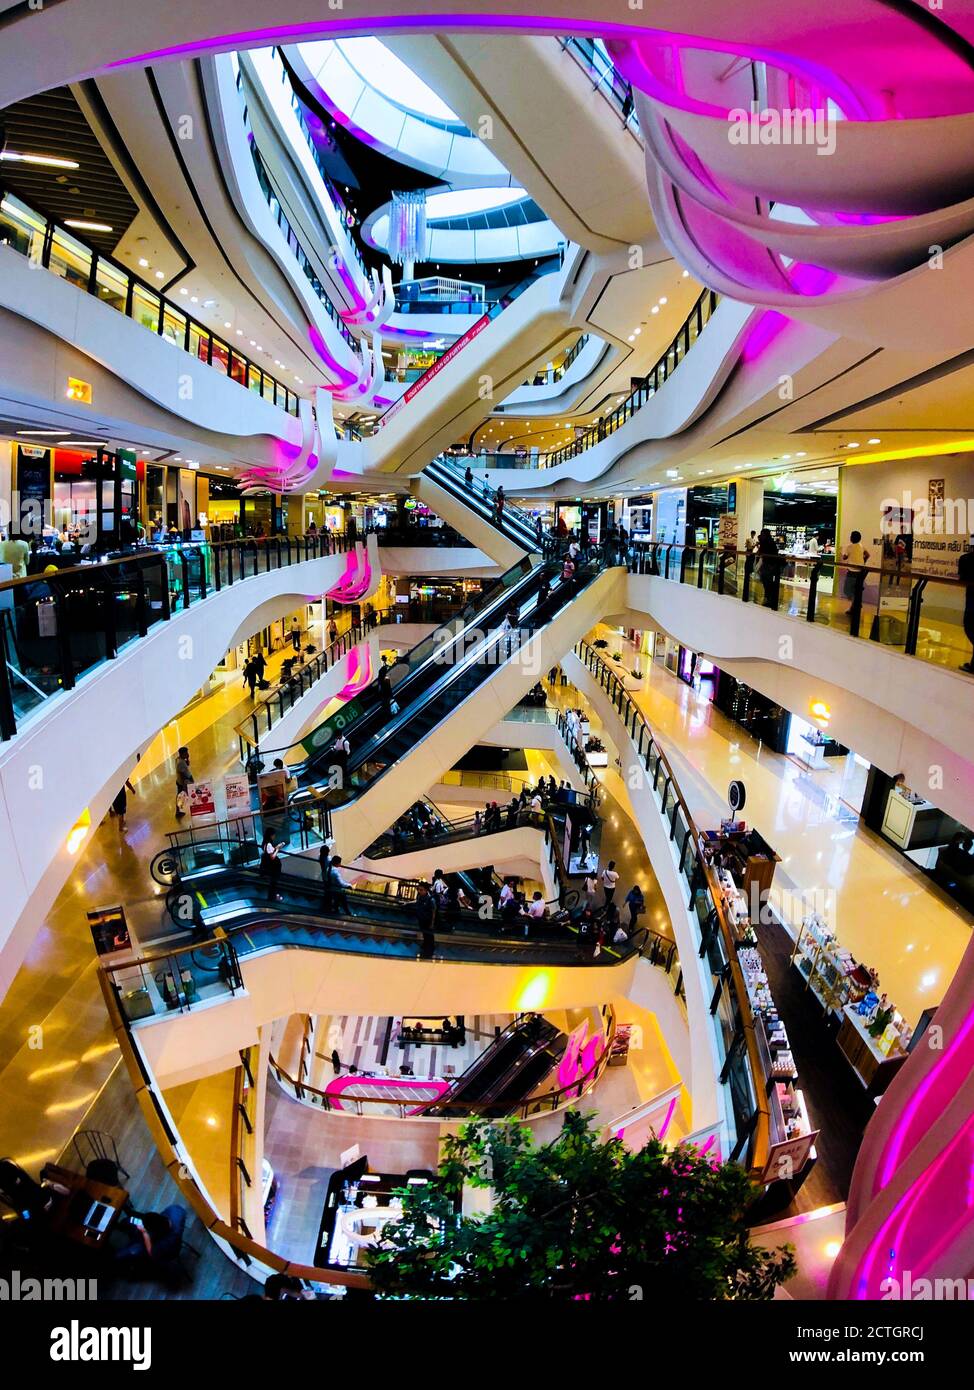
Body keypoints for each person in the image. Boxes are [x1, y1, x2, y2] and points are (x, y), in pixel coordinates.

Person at [840, 530, 870, 614]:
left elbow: (845, 558)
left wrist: (842, 553)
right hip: (861, 572)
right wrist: (863, 561)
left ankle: (856, 603)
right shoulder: (861, 546)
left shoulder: (849, 547)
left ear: (852, 538)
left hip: (852, 571)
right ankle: (854, 607)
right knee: (856, 590)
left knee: (848, 590)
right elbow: (868, 555)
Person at [959, 546, 974, 673]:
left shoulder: (966, 559)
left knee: (970, 626)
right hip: (971, 600)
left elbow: (962, 578)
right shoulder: (965, 559)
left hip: (972, 601)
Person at [261, 833, 285, 900]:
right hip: (273, 868)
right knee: (273, 883)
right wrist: (278, 849)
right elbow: (272, 857)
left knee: (273, 883)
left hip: (271, 868)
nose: (274, 836)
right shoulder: (268, 844)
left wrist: (277, 847)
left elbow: (270, 852)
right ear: (270, 835)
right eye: (273, 835)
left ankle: (272, 896)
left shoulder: (266, 844)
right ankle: (273, 897)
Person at [415, 883, 436, 959]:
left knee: (429, 936)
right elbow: (416, 903)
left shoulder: (431, 899)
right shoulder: (420, 897)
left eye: (421, 890)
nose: (419, 891)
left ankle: (429, 952)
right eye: (418, 889)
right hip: (422, 920)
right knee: (425, 935)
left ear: (426, 890)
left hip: (428, 921)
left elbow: (434, 912)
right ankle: (426, 947)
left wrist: (432, 923)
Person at [174, 746, 193, 818]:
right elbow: (183, 774)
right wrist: (188, 782)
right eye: (186, 753)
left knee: (180, 796)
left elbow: (187, 764)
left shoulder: (178, 759)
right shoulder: (181, 763)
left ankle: (178, 811)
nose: (187, 754)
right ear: (182, 754)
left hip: (179, 782)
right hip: (183, 783)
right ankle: (178, 811)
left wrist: (187, 758)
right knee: (183, 796)